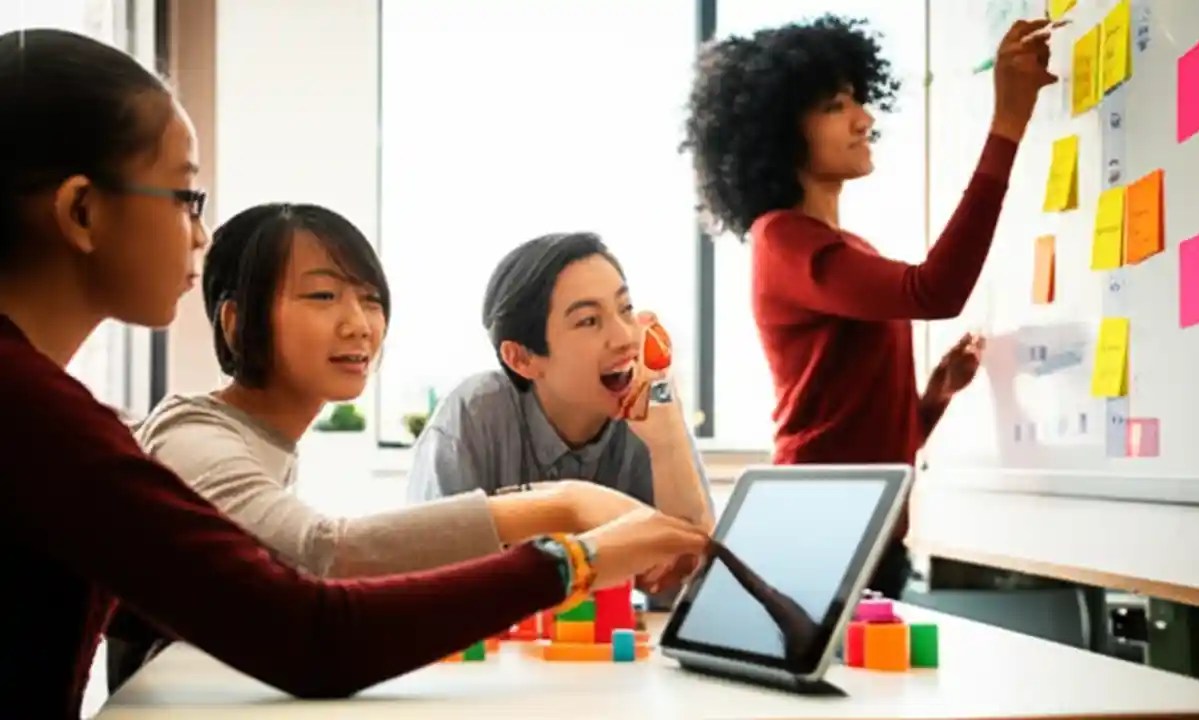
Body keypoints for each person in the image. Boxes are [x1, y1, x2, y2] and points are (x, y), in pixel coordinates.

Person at [0, 28, 707, 718]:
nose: (201, 233)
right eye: (186, 197)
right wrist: (568, 539)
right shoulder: (60, 420)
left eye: (369, 298)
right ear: (82, 211)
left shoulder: (55, 413)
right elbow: (317, 605)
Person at [107, 203, 660, 690]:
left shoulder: (265, 444)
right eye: (323, 296)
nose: (359, 324)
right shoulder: (191, 436)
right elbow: (321, 555)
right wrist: (561, 506)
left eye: (369, 299)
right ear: (237, 321)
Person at [681, 16, 1057, 598]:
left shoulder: (846, 250)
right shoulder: (783, 239)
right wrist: (1008, 122)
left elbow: (860, 434)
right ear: (781, 132)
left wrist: (931, 399)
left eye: (858, 100)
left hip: (867, 528)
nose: (864, 119)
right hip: (812, 529)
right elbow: (936, 291)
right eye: (835, 107)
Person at [406, 232, 715, 534]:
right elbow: (434, 576)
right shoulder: (472, 418)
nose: (625, 338)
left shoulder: (653, 408)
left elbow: (695, 576)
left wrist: (669, 441)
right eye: (589, 321)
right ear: (522, 359)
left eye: (626, 309)